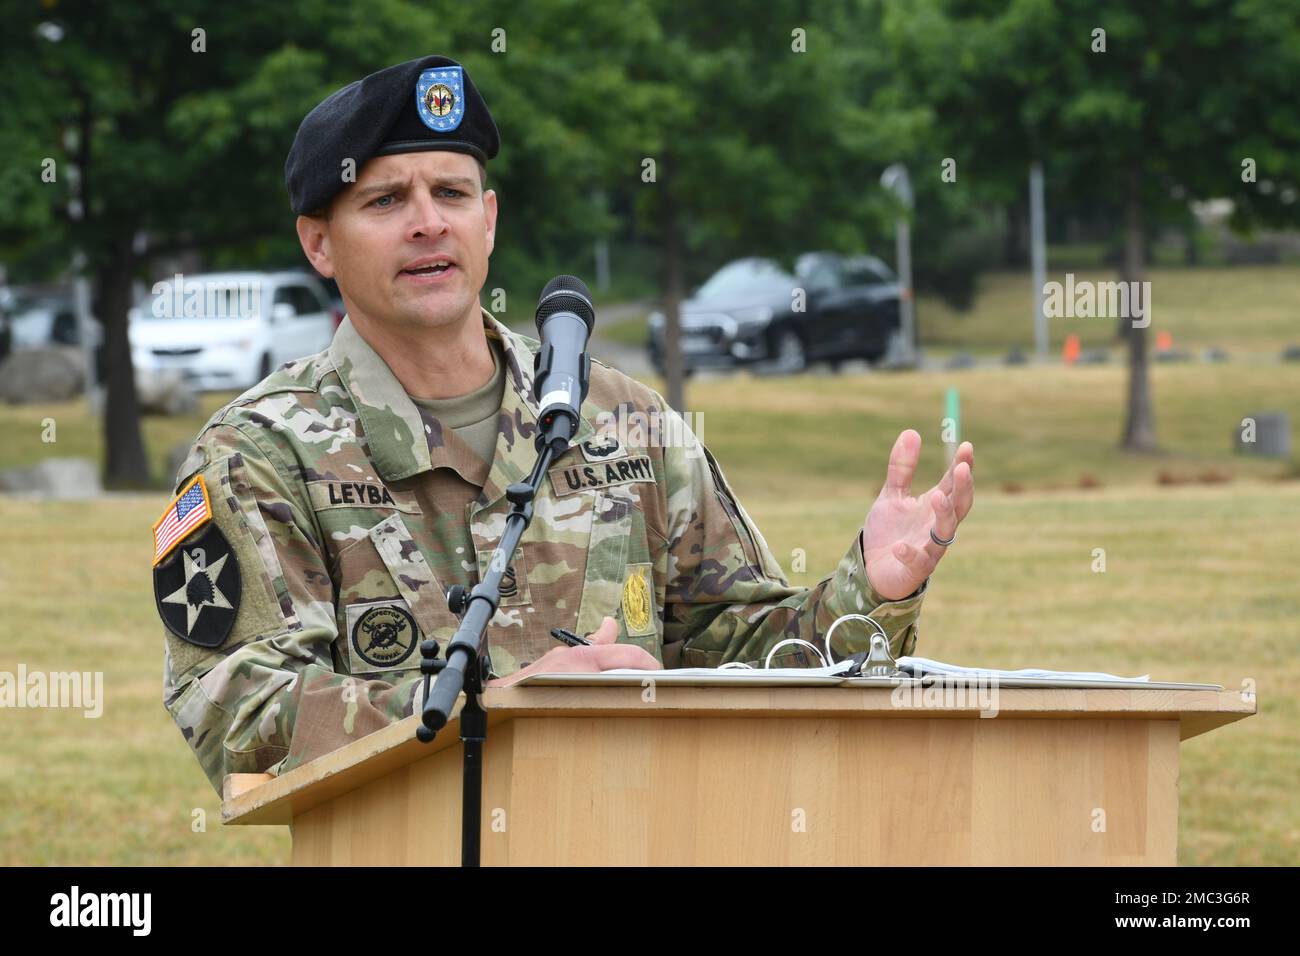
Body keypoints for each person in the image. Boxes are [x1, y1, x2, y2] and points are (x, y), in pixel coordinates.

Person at [154, 55, 975, 795]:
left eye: (451, 192)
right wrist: (501, 707)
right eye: (384, 200)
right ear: (318, 244)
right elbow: (238, 710)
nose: (428, 222)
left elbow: (738, 648)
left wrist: (872, 584)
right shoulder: (258, 452)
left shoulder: (622, 418)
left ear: (490, 220)